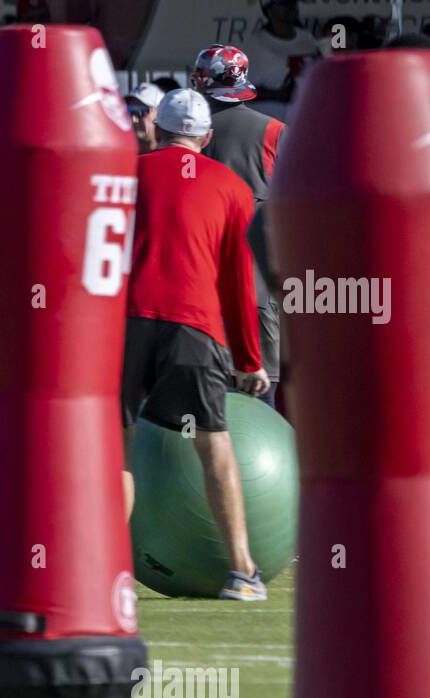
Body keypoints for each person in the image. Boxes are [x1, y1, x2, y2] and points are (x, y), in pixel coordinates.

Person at [121, 89, 269, 601]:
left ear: (156, 130)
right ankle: (243, 572)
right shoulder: (232, 188)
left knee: (119, 452)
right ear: (206, 138)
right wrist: (250, 360)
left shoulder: (125, 177)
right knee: (214, 445)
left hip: (126, 324)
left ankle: (105, 576)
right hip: (195, 327)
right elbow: (238, 284)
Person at [192, 45, 285, 408]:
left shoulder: (186, 133)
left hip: (197, 298)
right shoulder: (275, 131)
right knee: (261, 406)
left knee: (202, 410)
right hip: (258, 295)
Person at [238, 0, 318, 121]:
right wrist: (276, 95)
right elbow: (239, 90)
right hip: (265, 124)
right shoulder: (254, 43)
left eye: (293, 4)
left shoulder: (308, 39)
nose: (289, 9)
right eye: (282, 4)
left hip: (299, 125)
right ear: (269, 10)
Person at [126, 82, 164, 154]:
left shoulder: (170, 158)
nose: (133, 119)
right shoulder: (121, 158)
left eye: (140, 111)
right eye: (129, 110)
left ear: (160, 115)